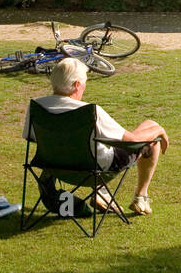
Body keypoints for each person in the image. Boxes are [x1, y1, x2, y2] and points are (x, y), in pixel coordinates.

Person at [24, 58, 168, 216]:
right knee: (151, 140)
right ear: (77, 85)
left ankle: (102, 193)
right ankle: (141, 197)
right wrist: (159, 130)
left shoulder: (36, 107)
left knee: (88, 145)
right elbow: (132, 140)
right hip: (93, 171)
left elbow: (31, 137)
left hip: (54, 167)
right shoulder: (89, 112)